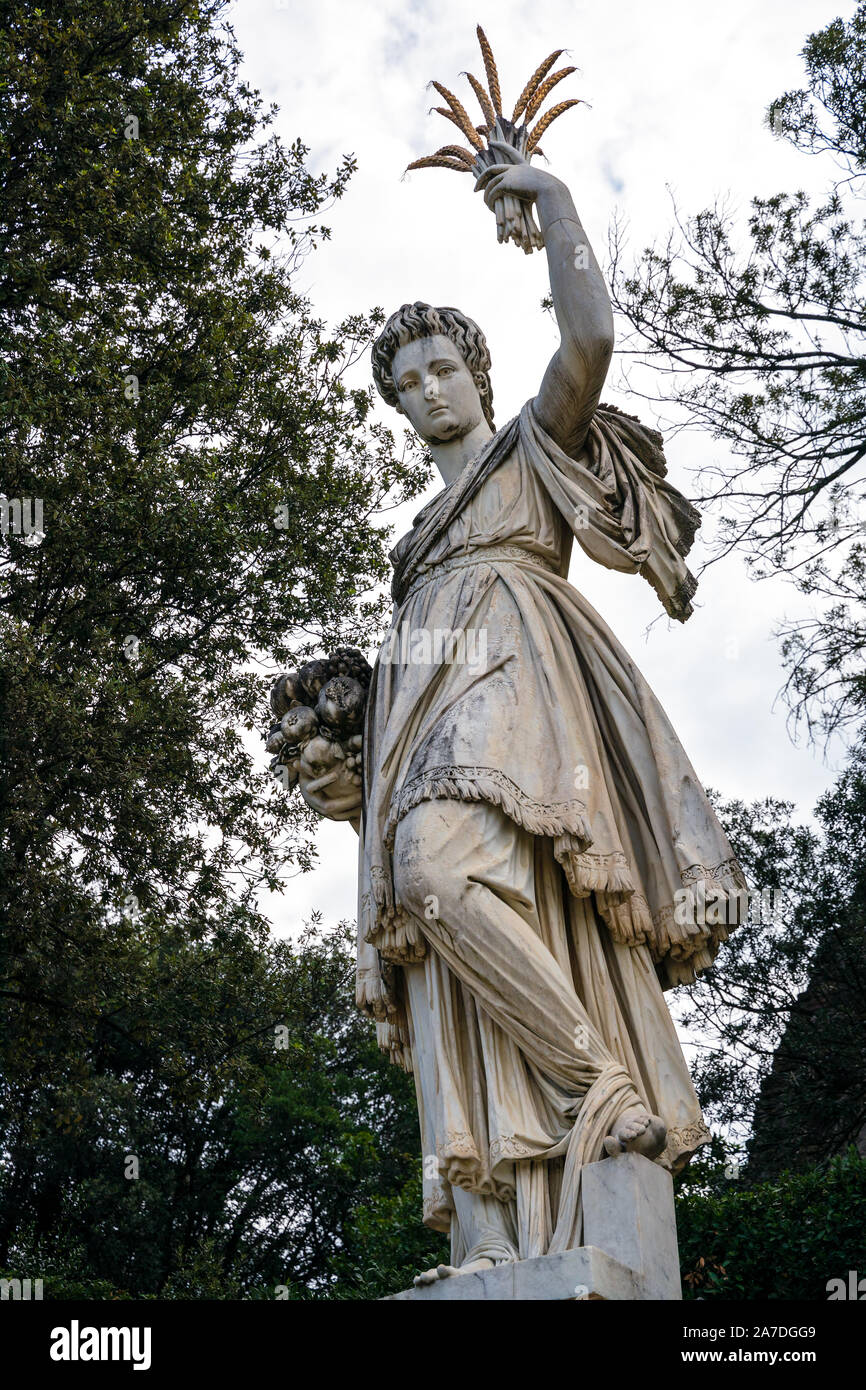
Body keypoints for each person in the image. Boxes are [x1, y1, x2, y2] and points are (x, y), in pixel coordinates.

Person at [299, 149, 745, 1284]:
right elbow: (406, 672)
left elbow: (589, 336)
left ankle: (590, 1075)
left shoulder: (526, 449)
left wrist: (549, 200)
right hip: (427, 709)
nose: (423, 393)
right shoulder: (409, 546)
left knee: (436, 866)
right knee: (435, 928)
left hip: (521, 685)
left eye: (438, 366)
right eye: (403, 383)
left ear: (474, 370)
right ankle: (495, 1222)